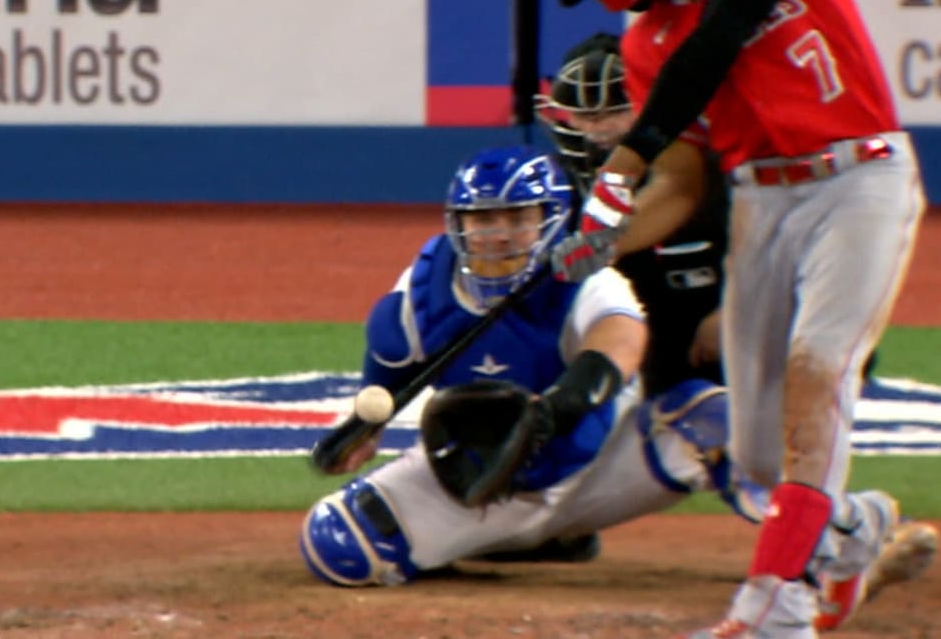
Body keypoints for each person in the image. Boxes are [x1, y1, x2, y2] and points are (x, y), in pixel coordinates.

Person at [546, 0, 937, 637]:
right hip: (760, 201)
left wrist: (623, 164)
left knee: (816, 377)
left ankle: (773, 608)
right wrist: (596, 247)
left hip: (857, 177)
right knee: (759, 453)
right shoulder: (644, 42)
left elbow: (725, 28)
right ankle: (851, 537)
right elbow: (686, 182)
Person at [298, 144, 742, 587]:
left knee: (711, 422)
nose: (499, 234)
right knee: (339, 542)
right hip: (481, 485)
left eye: (518, 219)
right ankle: (510, 539)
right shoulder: (425, 290)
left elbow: (621, 340)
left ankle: (804, 558)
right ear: (459, 223)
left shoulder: (582, 275)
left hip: (601, 470)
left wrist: (556, 410)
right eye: (483, 219)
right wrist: (365, 424)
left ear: (550, 221)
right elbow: (390, 365)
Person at [535, 31, 730, 395]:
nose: (600, 128)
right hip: (619, 334)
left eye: (616, 109)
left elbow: (765, 254)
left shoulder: (707, 176)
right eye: (585, 114)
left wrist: (733, 314)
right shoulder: (550, 187)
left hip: (707, 329)